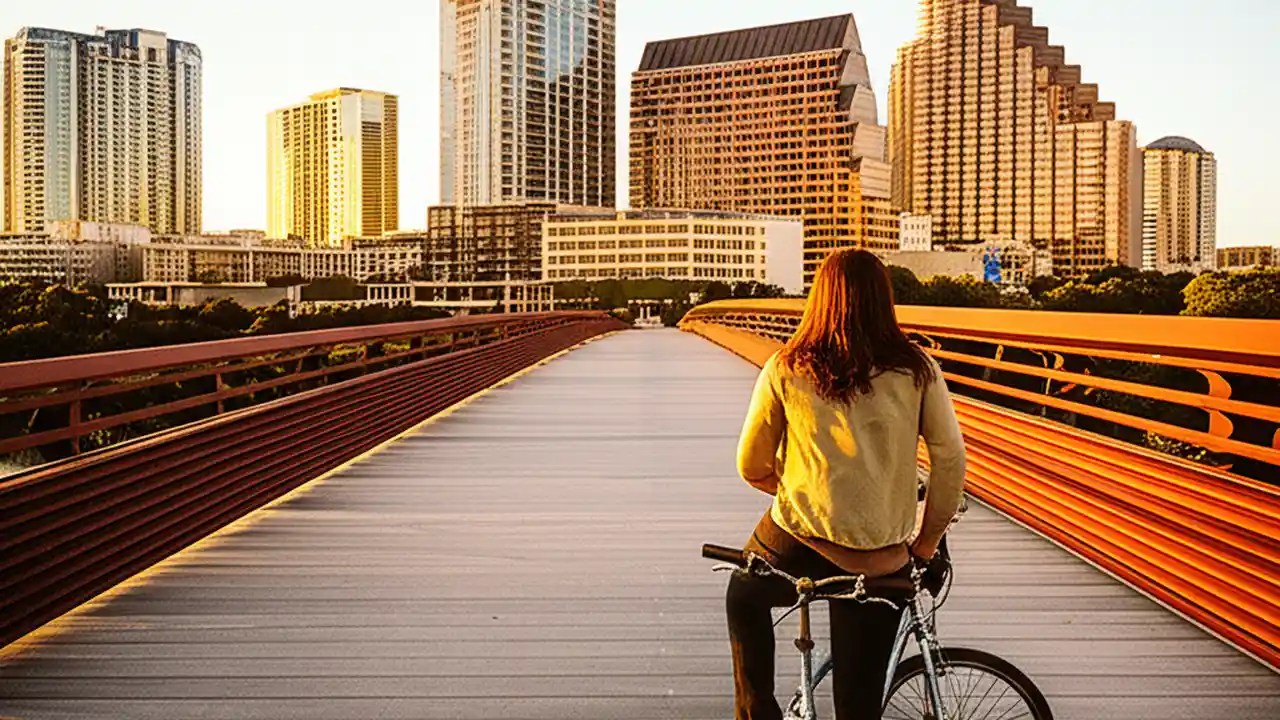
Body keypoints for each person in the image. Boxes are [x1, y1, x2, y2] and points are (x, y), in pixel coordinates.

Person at [727, 249, 967, 720]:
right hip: (882, 559)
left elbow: (750, 464)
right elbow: (951, 459)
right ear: (884, 300)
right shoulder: (918, 369)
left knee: (744, 596)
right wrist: (925, 543)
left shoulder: (787, 366)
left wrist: (798, 486)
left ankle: (758, 712)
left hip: (799, 542)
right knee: (858, 705)